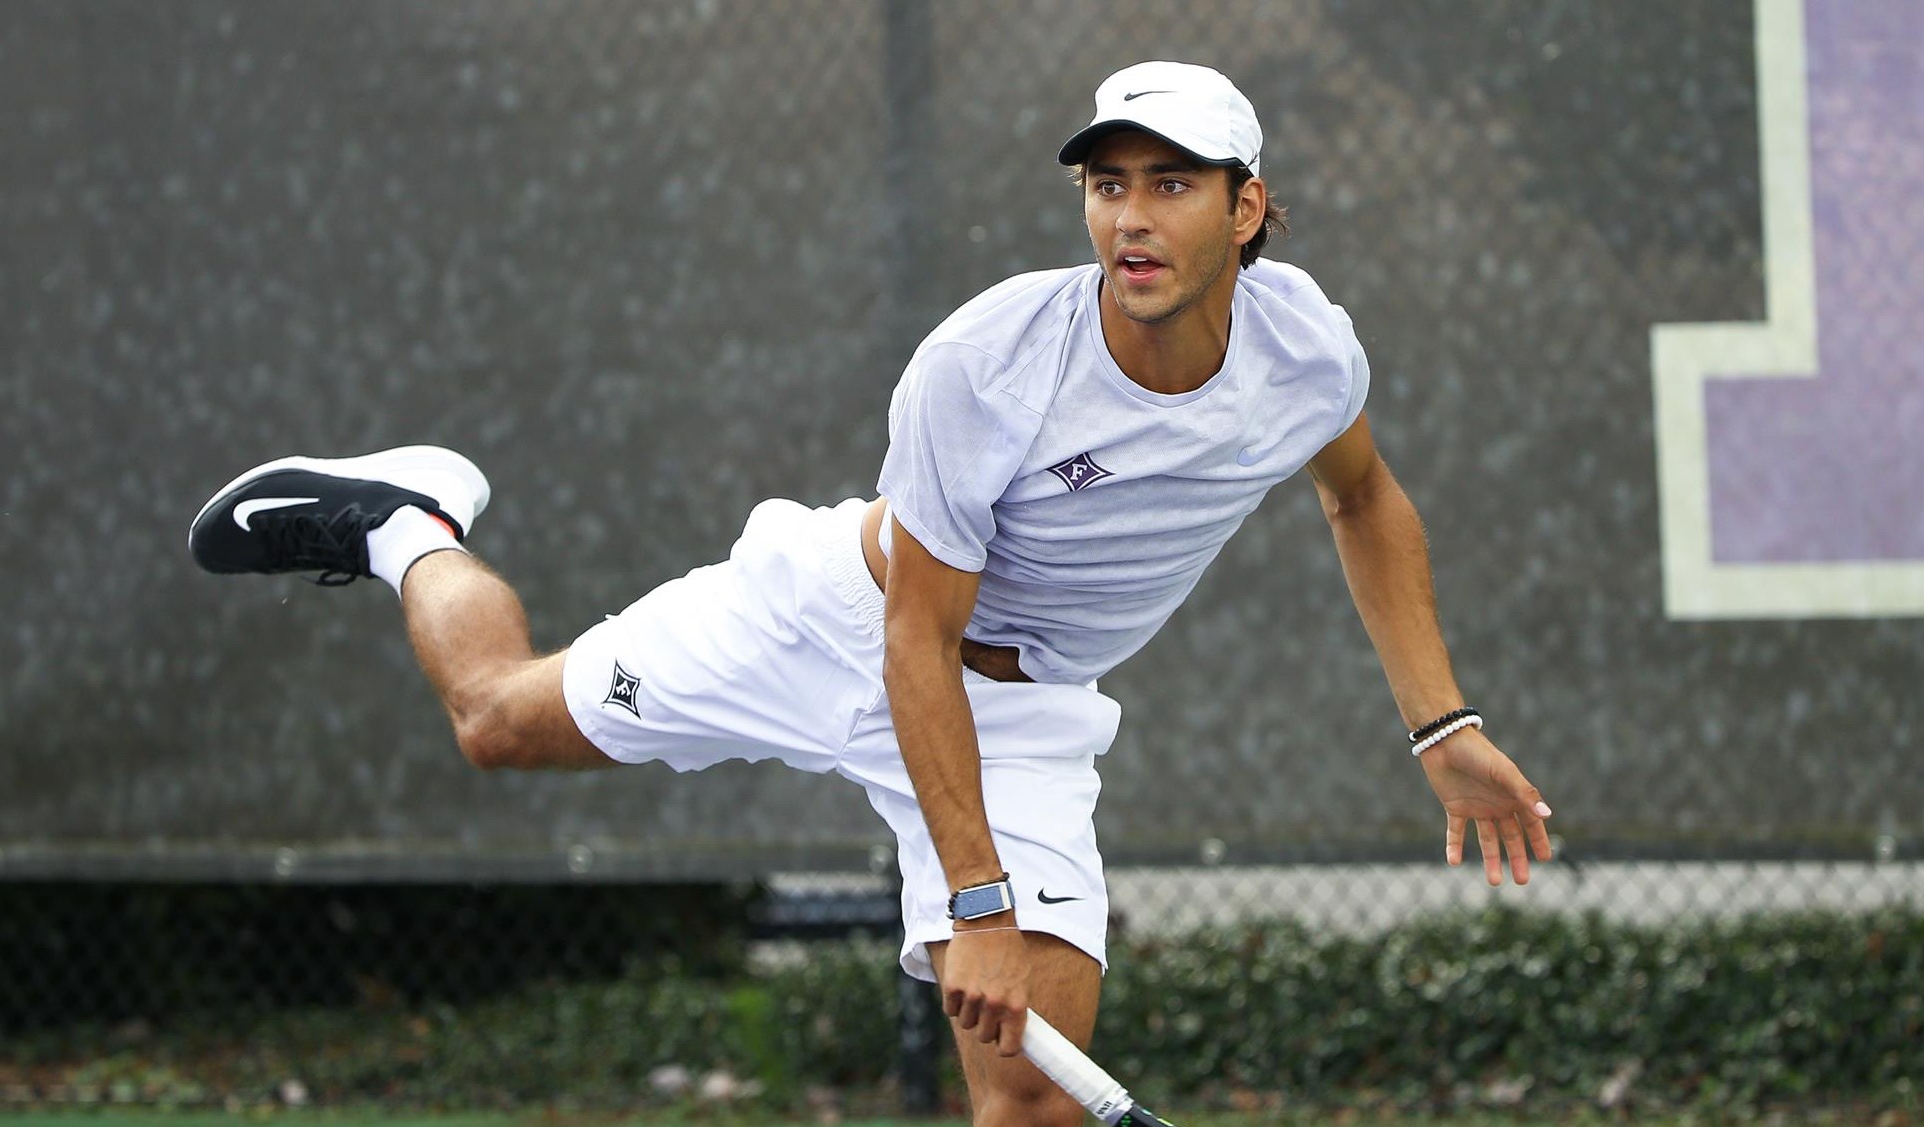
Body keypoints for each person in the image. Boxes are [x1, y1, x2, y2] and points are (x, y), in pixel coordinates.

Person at [189, 60, 1553, 1126]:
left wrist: (1442, 729)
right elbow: (918, 630)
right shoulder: (989, 361)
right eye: (1110, 184)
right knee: (493, 718)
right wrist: (973, 905)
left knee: (1031, 1099)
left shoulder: (1305, 350)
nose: (1131, 217)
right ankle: (407, 523)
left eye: (1175, 184)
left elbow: (1363, 497)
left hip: (1021, 715)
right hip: (829, 622)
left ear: (1246, 207)